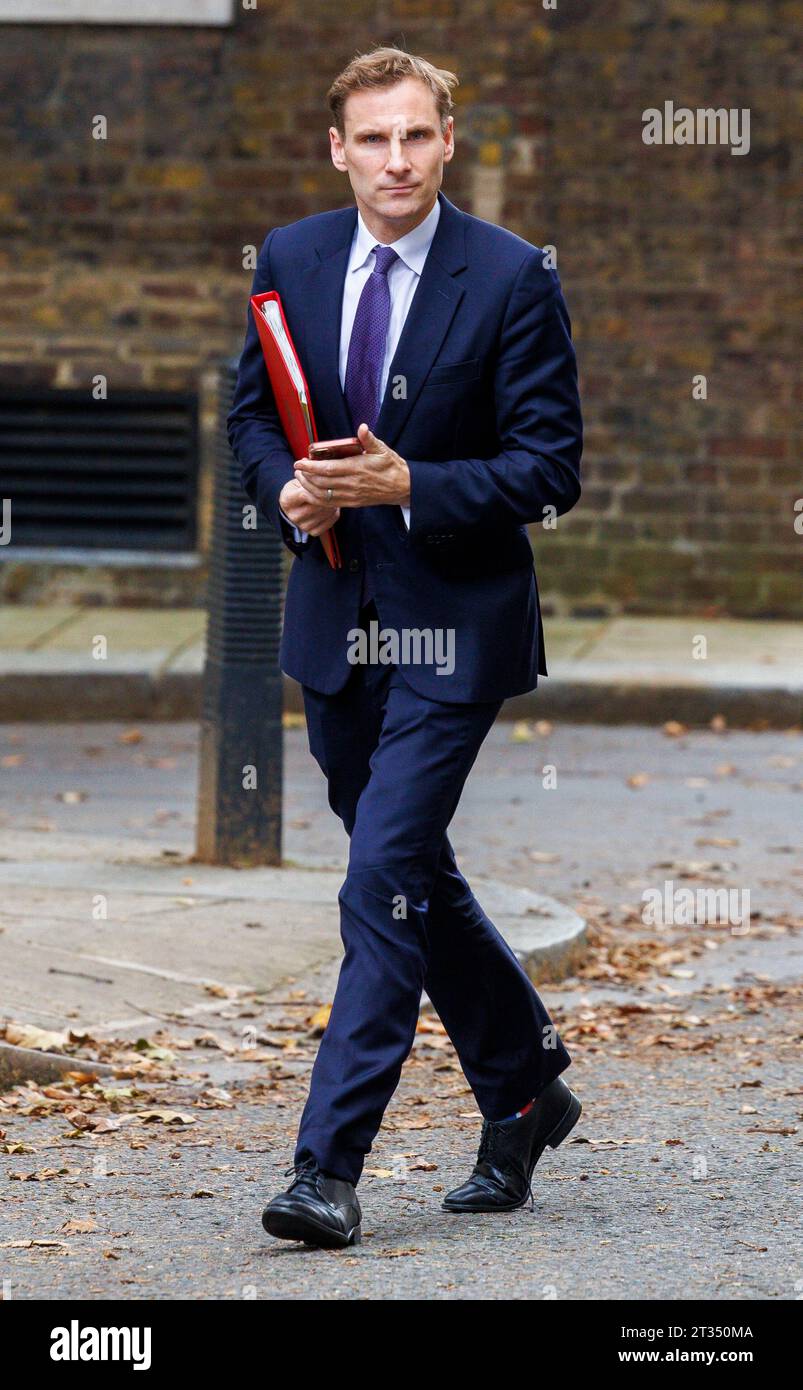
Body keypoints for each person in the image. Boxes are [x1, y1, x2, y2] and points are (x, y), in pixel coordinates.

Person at [227, 45, 583, 1250]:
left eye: (416, 136)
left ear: (447, 142)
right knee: (410, 867)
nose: (396, 160)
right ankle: (524, 1088)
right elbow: (251, 414)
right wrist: (287, 493)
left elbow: (549, 468)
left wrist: (410, 483)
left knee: (377, 876)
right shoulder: (291, 257)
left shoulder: (510, 277)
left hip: (456, 624)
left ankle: (325, 1168)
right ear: (338, 149)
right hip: (337, 620)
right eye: (373, 139)